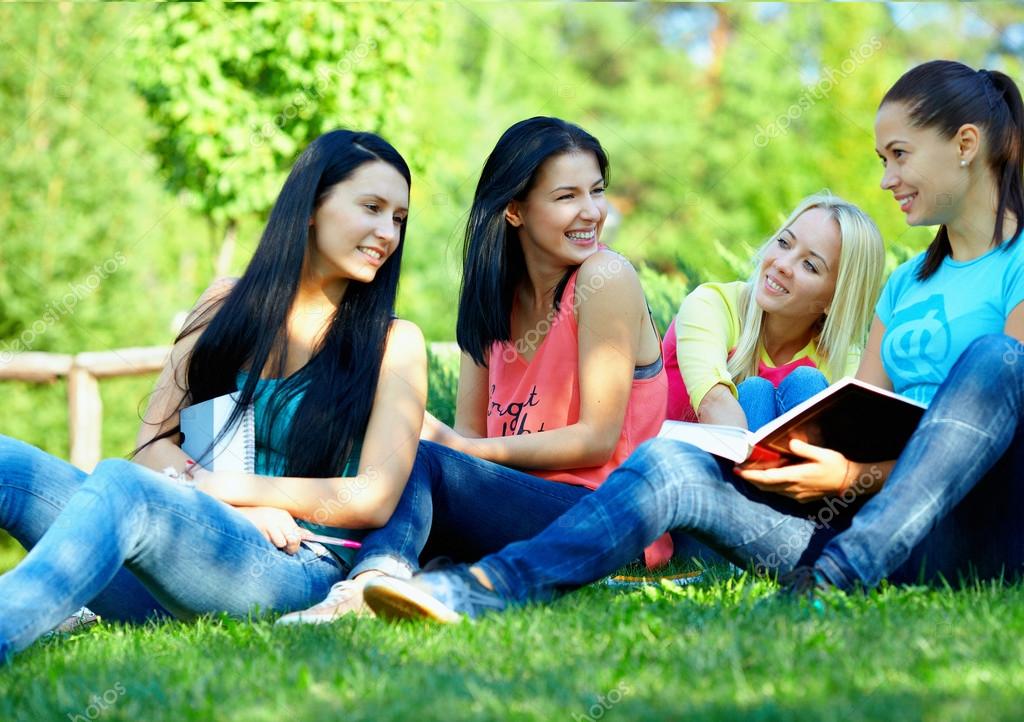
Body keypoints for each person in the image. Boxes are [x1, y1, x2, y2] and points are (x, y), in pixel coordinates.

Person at [360, 59, 1024, 622]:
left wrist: (855, 477)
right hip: (866, 528)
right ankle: (484, 589)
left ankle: (842, 572)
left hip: (977, 532)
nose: (886, 179)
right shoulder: (906, 283)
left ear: (965, 145)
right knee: (674, 464)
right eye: (883, 159)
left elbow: (994, 431)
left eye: (898, 156)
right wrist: (817, 471)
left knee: (998, 359)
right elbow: (864, 422)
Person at [0, 129, 427, 660]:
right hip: (180, 561)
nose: (387, 232)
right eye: (372, 207)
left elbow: (374, 495)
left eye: (399, 219)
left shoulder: (394, 343)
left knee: (120, 484)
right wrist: (222, 505)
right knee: (5, 460)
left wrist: (230, 491)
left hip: (296, 569)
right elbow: (153, 444)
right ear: (312, 206)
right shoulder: (225, 301)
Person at [278, 116, 667, 624]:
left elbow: (596, 440)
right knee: (401, 462)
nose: (591, 212)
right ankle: (330, 569)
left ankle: (372, 584)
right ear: (513, 210)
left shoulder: (605, 277)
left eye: (596, 191)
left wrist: (457, 451)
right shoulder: (490, 299)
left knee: (422, 462)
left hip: (609, 518)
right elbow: (470, 437)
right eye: (567, 196)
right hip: (515, 508)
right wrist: (449, 444)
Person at [664, 192, 883, 431]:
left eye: (809, 265)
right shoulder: (710, 305)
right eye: (784, 243)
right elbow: (713, 402)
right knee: (755, 392)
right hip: (688, 462)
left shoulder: (842, 359)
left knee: (806, 383)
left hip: (791, 465)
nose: (782, 264)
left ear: (835, 300)